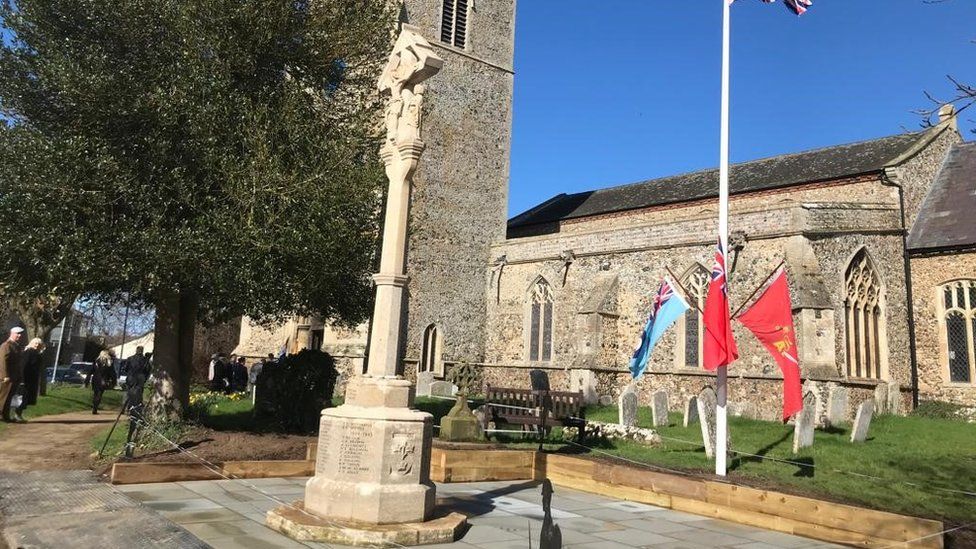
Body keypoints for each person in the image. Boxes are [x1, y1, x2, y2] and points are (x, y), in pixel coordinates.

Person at [15, 338, 45, 421]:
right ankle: (17, 415)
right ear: (31, 343)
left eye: (39, 344)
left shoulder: (37, 354)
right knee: (22, 398)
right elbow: (23, 366)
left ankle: (19, 414)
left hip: (32, 380)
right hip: (26, 379)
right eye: (35, 343)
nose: (37, 345)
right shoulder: (28, 352)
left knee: (26, 398)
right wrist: (22, 380)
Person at [0, 327, 25, 422]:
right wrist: (5, 376)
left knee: (9, 398)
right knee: (3, 396)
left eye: (20, 334)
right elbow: (2, 362)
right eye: (17, 333)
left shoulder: (17, 346)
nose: (19, 335)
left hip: (15, 377)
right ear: (11, 333)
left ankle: (5, 416)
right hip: (7, 377)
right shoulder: (6, 346)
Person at [87, 350, 117, 414]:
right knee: (99, 394)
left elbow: (91, 370)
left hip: (95, 379)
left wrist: (87, 379)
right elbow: (112, 373)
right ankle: (95, 407)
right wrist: (114, 381)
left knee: (95, 393)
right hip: (103, 380)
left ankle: (94, 406)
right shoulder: (109, 362)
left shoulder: (96, 361)